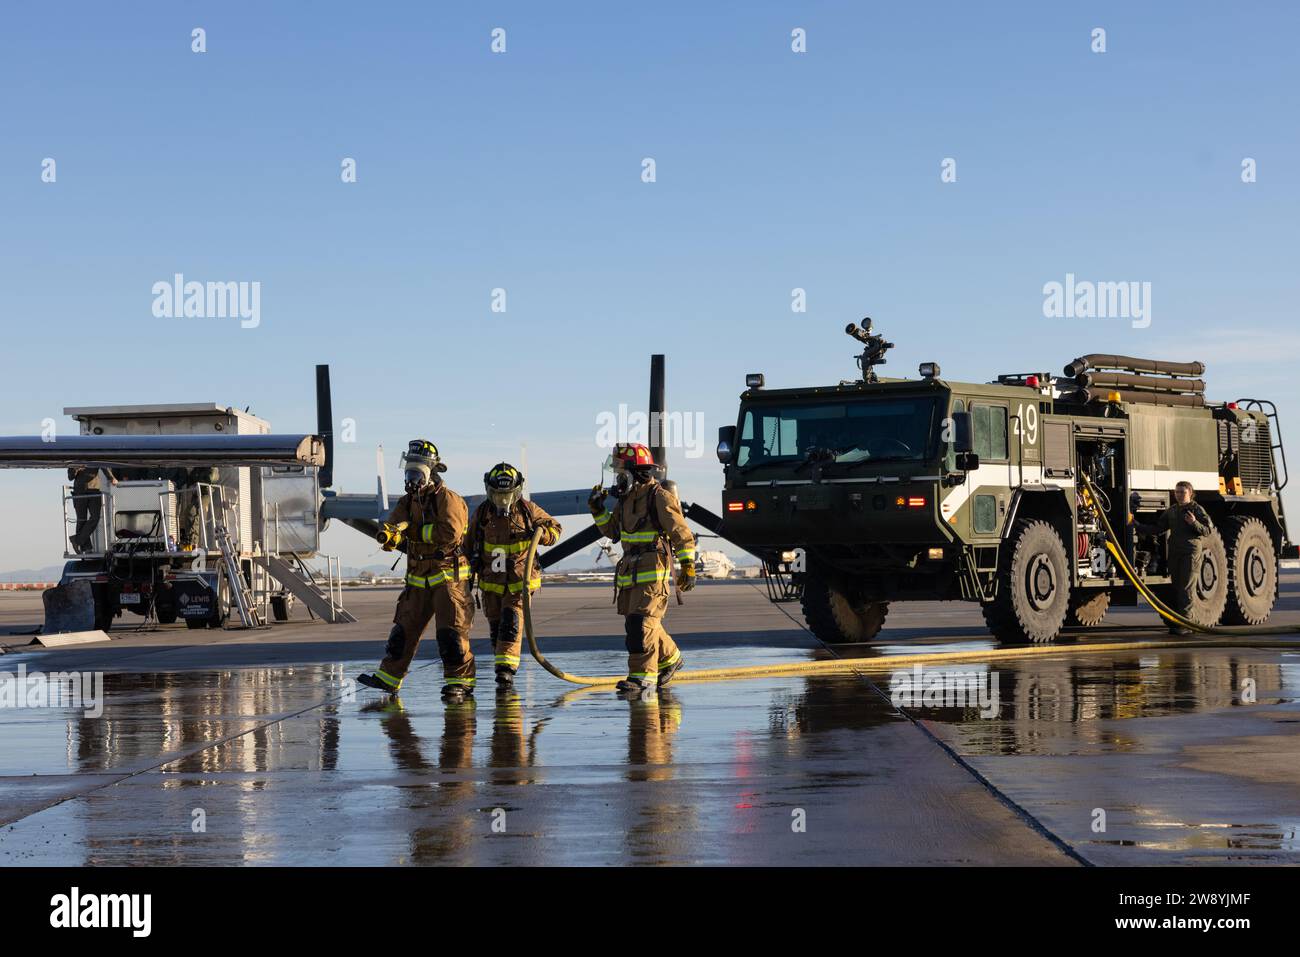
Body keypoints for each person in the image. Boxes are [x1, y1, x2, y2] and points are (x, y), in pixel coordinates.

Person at [359, 440, 476, 701]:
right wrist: (390, 537)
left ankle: (460, 683)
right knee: (402, 633)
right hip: (417, 581)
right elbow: (393, 526)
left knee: (451, 636)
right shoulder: (408, 502)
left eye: (416, 473)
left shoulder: (449, 500)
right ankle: (389, 678)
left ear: (430, 473)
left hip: (448, 581)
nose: (410, 478)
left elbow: (450, 533)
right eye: (408, 472)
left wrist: (411, 531)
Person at [588, 443, 695, 698]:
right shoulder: (625, 500)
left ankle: (641, 678)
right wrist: (598, 510)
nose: (616, 477)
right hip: (630, 569)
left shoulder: (659, 496)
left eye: (620, 471)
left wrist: (688, 565)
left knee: (641, 624)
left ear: (635, 472)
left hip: (652, 568)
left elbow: (681, 533)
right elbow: (614, 532)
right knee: (639, 623)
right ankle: (670, 658)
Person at [468, 463, 562, 689]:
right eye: (498, 495)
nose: (502, 500)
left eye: (506, 495)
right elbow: (468, 544)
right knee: (496, 628)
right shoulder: (482, 513)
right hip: (491, 585)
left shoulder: (528, 511)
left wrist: (543, 534)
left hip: (519, 583)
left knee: (511, 622)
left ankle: (506, 671)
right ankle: (502, 667)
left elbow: (555, 528)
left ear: (516, 492)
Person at [1133, 480, 1212, 635]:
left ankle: (1186, 624)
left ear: (1190, 493)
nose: (1179, 495)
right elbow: (1158, 528)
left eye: (1182, 492)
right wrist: (1137, 525)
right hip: (1175, 553)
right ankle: (1183, 621)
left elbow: (1208, 530)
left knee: (1186, 589)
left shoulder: (1196, 509)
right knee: (1176, 588)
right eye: (1177, 492)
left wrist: (1194, 523)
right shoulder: (1172, 511)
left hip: (1190, 553)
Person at [68, 465, 116, 553]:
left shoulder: (94, 455)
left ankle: (77, 540)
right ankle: (87, 548)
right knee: (81, 520)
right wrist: (76, 469)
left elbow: (102, 465)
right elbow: (70, 477)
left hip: (94, 491)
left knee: (95, 517)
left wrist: (111, 478)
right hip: (79, 492)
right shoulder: (75, 459)